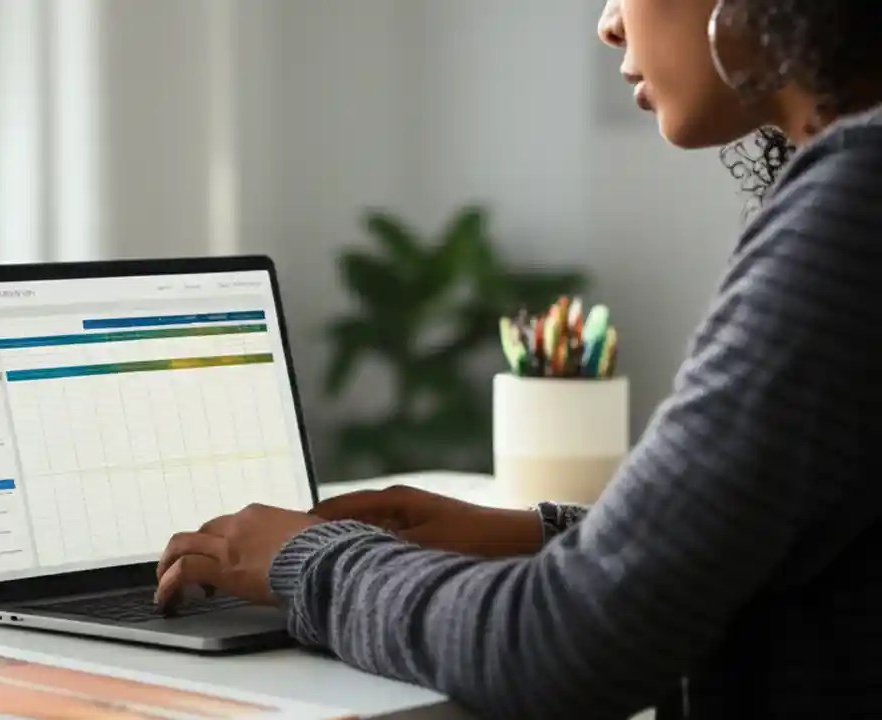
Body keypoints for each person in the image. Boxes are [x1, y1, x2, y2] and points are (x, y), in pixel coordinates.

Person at [154, 1, 882, 717]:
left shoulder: (853, 211)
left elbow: (563, 646)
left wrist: (313, 563)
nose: (608, 22)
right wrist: (537, 536)